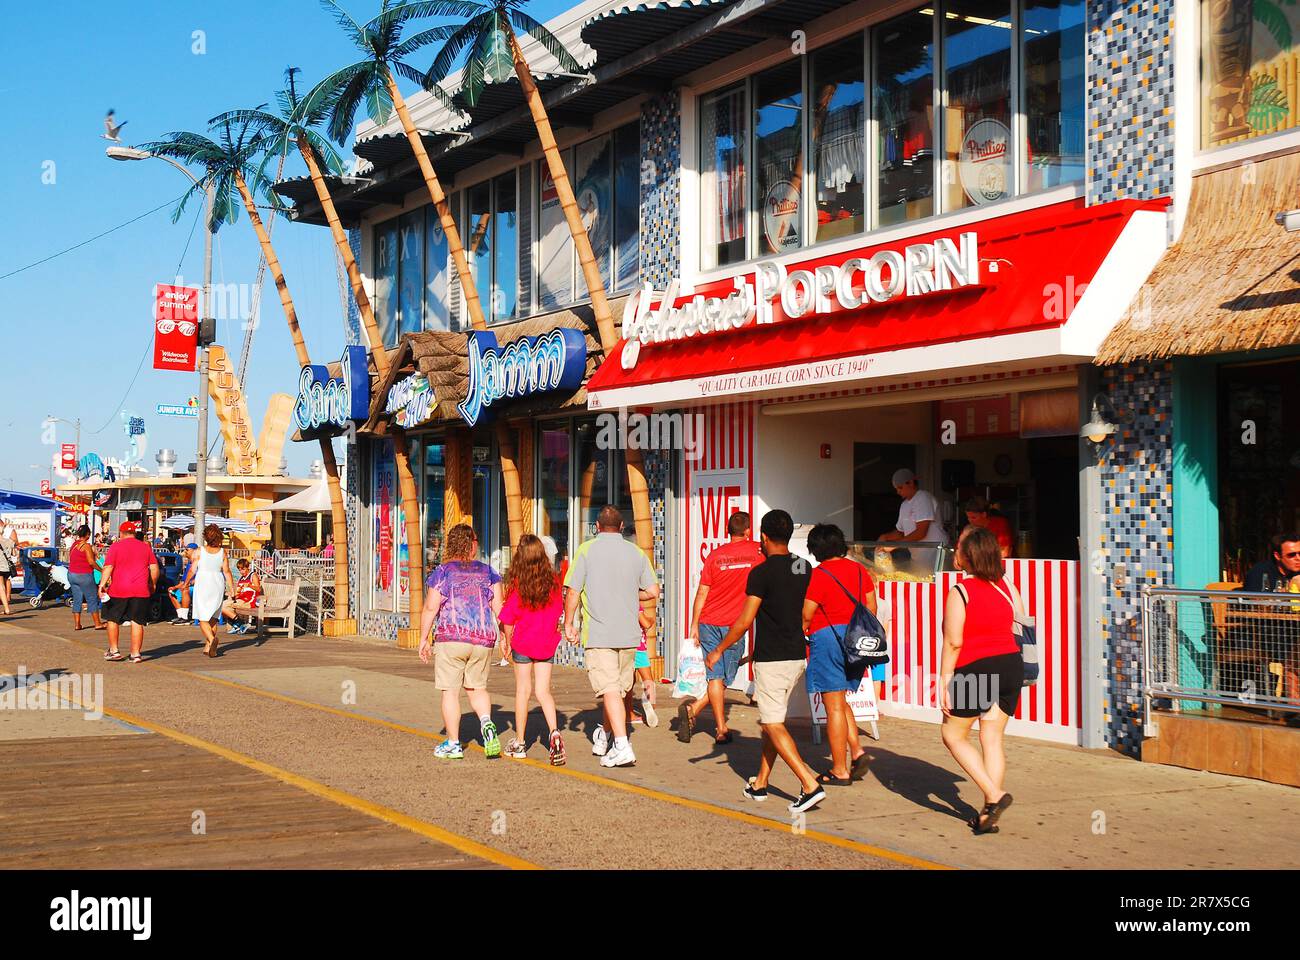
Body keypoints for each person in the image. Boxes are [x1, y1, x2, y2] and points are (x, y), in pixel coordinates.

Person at [706, 509, 825, 814]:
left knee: (771, 722)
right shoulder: (804, 566)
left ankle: (809, 785)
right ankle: (760, 782)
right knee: (773, 724)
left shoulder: (760, 573)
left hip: (772, 658)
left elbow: (745, 621)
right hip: (798, 654)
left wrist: (719, 649)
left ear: (763, 536)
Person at [940, 525, 1026, 835]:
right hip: (1010, 666)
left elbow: (953, 642)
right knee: (991, 738)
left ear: (967, 557)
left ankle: (994, 795)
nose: (955, 554)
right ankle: (989, 812)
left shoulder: (961, 590)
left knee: (953, 735)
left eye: (958, 550)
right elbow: (1022, 620)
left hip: (977, 668)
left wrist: (943, 681)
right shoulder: (1006, 586)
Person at [563, 505, 660, 769]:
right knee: (615, 691)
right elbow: (652, 591)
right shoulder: (636, 552)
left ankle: (621, 744)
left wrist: (568, 623)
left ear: (596, 526)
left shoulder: (586, 550)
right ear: (620, 528)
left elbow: (573, 591)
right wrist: (630, 593)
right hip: (629, 635)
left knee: (609, 690)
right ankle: (605, 737)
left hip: (599, 634)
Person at [418, 524, 504, 760]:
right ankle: (486, 723)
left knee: (451, 692)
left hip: (452, 638)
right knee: (477, 689)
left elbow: (430, 607)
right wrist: (506, 637)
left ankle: (454, 744)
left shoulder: (443, 572)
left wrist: (423, 638)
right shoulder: (489, 572)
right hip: (483, 639)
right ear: (471, 544)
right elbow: (500, 609)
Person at [801, 522, 875, 786]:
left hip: (829, 639)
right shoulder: (859, 570)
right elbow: (871, 606)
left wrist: (801, 630)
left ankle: (839, 769)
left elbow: (807, 613)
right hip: (857, 641)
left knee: (832, 706)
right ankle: (857, 751)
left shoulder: (819, 575)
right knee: (841, 699)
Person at [681, 510, 763, 744]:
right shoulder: (758, 551)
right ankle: (712, 722)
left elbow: (702, 591)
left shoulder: (715, 556)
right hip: (734, 626)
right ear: (748, 531)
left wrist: (694, 623)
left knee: (715, 676)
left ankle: (707, 719)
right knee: (726, 676)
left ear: (728, 531)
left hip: (708, 621)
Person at [498, 534, 566, 764]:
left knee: (523, 691)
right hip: (546, 642)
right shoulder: (554, 583)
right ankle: (555, 732)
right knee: (543, 692)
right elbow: (558, 611)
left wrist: (507, 641)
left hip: (523, 643)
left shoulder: (519, 584)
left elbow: (508, 618)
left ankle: (519, 742)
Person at [1243, 532, 1300, 718]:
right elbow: (1253, 604)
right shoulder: (1261, 572)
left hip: (1292, 630)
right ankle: (1294, 704)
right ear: (1277, 556)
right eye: (1292, 555)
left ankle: (1293, 704)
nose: (1298, 558)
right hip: (1263, 633)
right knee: (1296, 647)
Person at [100, 521, 160, 664]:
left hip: (118, 589)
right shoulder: (145, 547)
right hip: (140, 589)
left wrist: (102, 584)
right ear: (134, 533)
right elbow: (154, 568)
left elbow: (108, 567)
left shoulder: (115, 547)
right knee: (137, 621)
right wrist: (152, 583)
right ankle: (135, 654)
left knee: (113, 619)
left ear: (121, 533)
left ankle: (114, 651)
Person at [189, 524, 235, 658]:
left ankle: (211, 638)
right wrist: (232, 588)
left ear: (206, 537)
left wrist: (185, 583)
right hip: (217, 583)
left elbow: (192, 569)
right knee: (213, 617)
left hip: (203, 582)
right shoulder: (222, 552)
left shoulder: (199, 551)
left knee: (202, 617)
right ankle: (208, 647)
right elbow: (227, 572)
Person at [878, 468, 949, 551]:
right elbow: (901, 532)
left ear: (911, 483)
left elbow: (921, 533)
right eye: (896, 489)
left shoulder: (923, 497)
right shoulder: (904, 505)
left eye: (900, 488)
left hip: (935, 554)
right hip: (918, 558)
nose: (898, 492)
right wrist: (885, 537)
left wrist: (895, 545)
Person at [67, 524, 104, 631]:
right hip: (84, 575)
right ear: (88, 535)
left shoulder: (74, 544)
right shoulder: (86, 546)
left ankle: (77, 624)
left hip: (72, 574)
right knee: (91, 598)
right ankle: (97, 623)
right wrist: (101, 570)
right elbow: (91, 562)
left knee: (77, 599)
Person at [223, 558, 263, 636]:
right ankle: (237, 625)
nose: (241, 572)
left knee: (223, 606)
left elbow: (258, 589)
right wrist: (233, 594)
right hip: (240, 599)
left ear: (247, 567)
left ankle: (239, 623)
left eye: (243, 569)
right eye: (240, 570)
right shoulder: (241, 578)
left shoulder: (253, 575)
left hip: (249, 601)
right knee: (223, 606)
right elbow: (239, 592)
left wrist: (250, 585)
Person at [0, 522, 19, 616]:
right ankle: (6, 607)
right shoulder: (8, 541)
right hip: (7, 566)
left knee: (1, 587)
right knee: (4, 584)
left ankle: (7, 609)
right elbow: (14, 553)